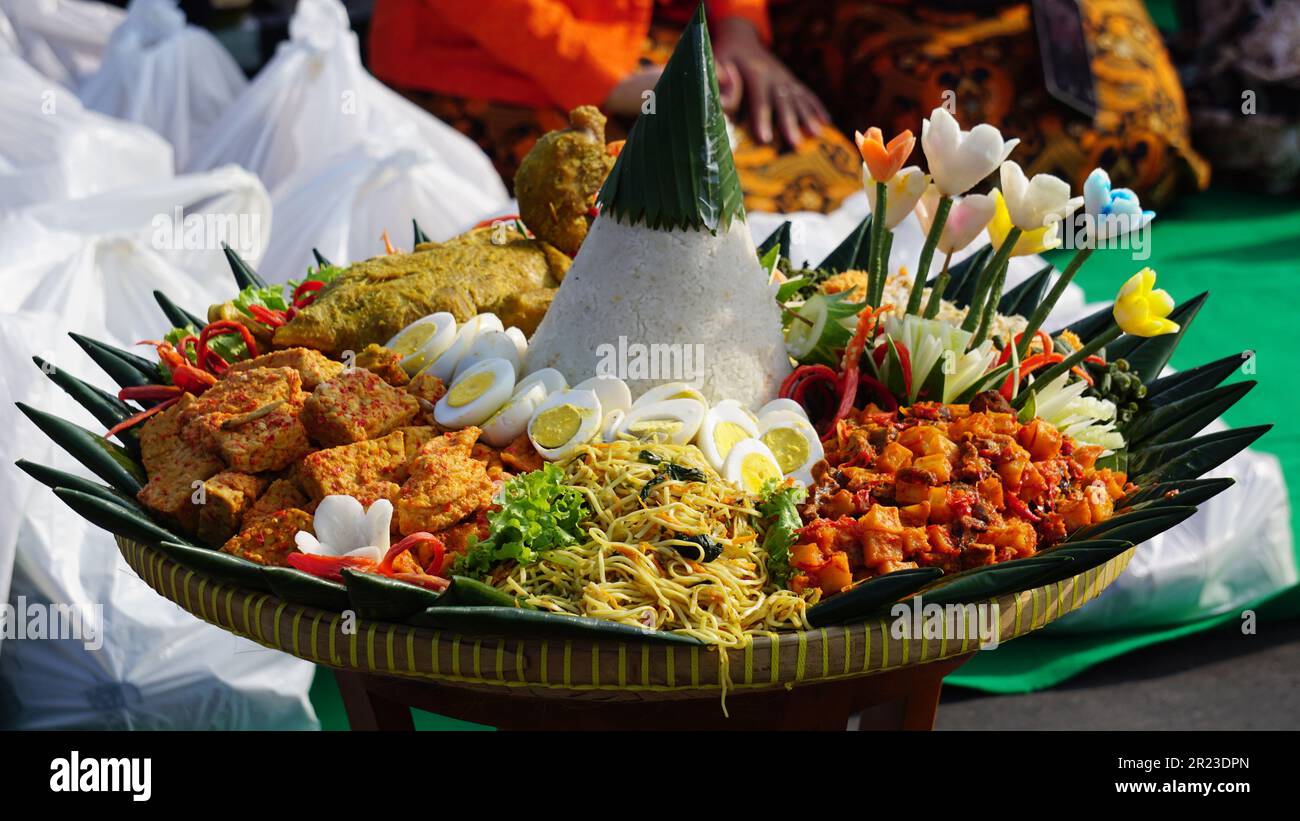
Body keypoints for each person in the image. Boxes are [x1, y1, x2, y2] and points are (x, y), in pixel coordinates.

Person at [368, 0, 864, 214]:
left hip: (649, 40)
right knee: (687, 210)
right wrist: (605, 80)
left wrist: (740, 28)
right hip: (491, 62)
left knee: (838, 179)